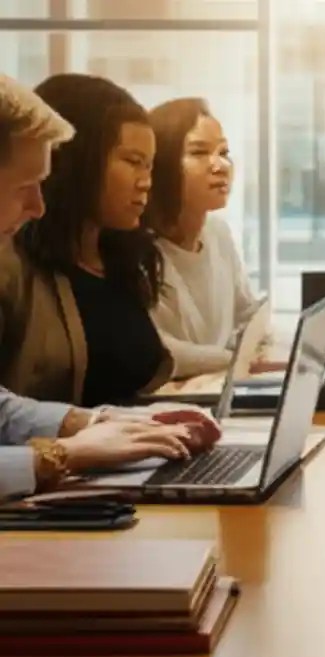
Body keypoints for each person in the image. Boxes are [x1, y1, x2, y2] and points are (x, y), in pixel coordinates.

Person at [0, 74, 218, 498]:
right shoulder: (13, 266)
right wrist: (62, 454)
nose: (38, 206)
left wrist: (98, 423)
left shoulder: (123, 256)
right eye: (25, 187)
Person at [0, 74, 172, 407]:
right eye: (133, 162)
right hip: (69, 440)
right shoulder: (13, 265)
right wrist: (80, 426)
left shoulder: (120, 257)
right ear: (77, 161)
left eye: (149, 166)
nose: (145, 182)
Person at [144, 97, 270, 379]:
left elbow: (248, 317)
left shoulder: (218, 233)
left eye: (224, 152)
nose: (220, 165)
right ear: (160, 163)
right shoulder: (137, 248)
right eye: (199, 152)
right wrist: (234, 359)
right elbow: (158, 348)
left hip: (217, 389)